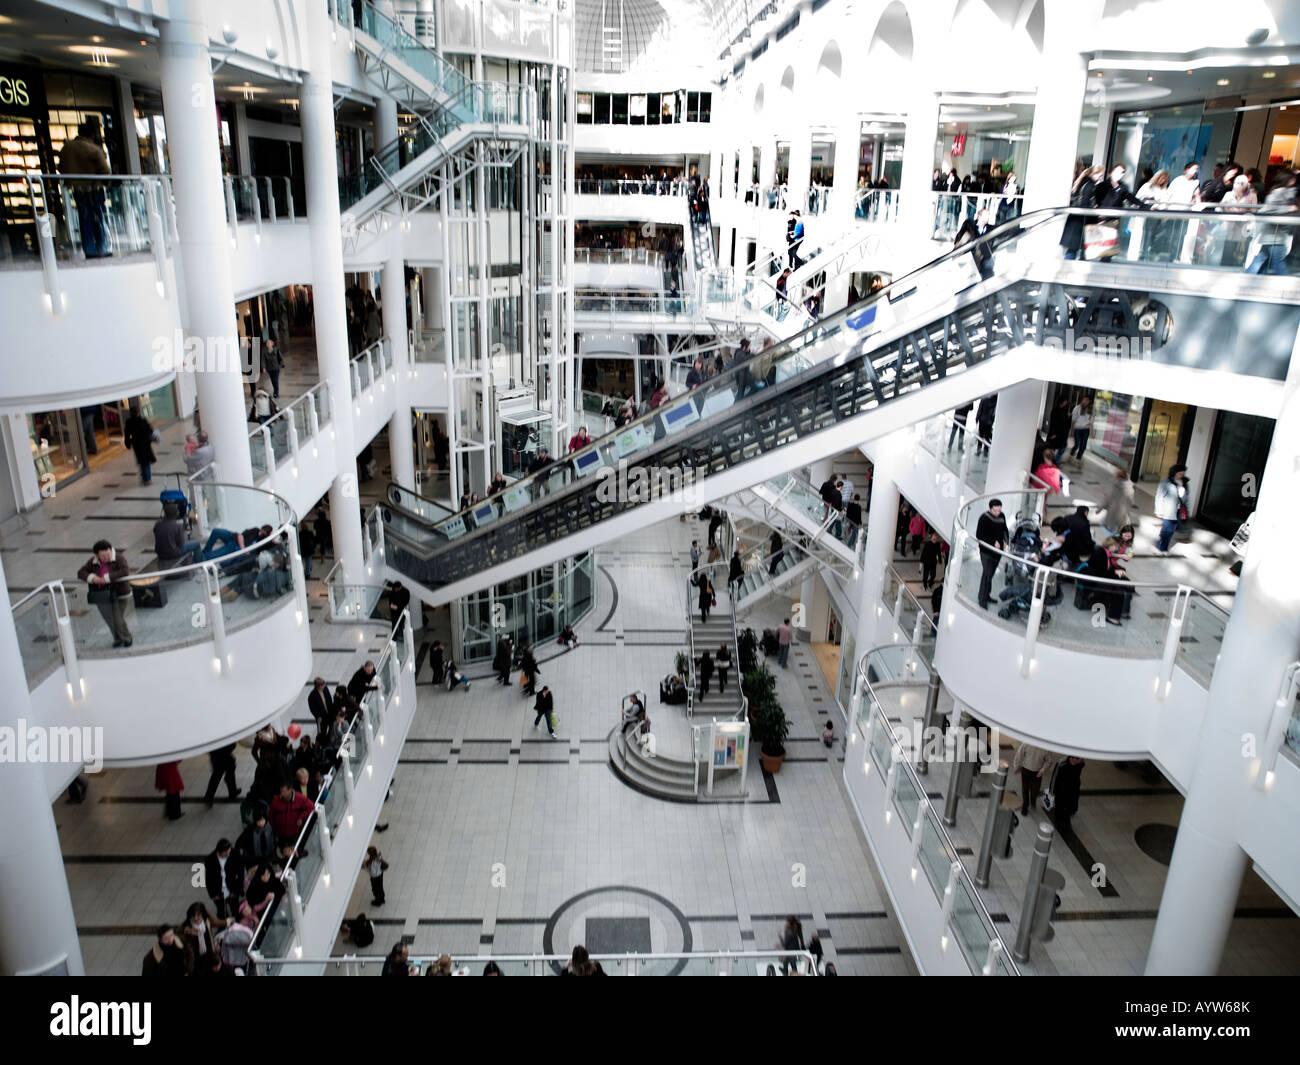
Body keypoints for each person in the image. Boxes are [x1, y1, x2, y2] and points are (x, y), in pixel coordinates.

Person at [58, 117, 111, 257]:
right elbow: (105, 171)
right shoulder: (93, 149)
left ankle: (89, 249)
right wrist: (105, 183)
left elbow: (61, 167)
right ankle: (102, 248)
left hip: (76, 189)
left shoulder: (67, 148)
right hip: (94, 188)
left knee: (84, 218)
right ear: (92, 135)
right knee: (98, 217)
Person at [1245, 171, 1297, 275]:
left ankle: (1249, 277)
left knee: (1261, 259)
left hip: (1272, 234)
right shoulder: (1283, 194)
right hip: (1275, 235)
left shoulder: (1278, 194)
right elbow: (1269, 210)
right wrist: (1288, 209)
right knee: (1277, 262)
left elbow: (1268, 210)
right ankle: (1287, 283)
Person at [1060, 165, 1103, 259]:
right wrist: (1094, 208)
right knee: (1079, 249)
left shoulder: (1082, 182)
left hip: (1075, 219)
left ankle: (1066, 266)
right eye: (1099, 175)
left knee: (1072, 249)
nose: (1100, 178)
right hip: (1082, 220)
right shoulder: (1090, 185)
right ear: (1093, 174)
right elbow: (1085, 203)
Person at [975, 498, 1009, 610]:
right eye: (995, 510)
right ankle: (982, 599)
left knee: (990, 575)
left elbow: (1005, 529)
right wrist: (992, 542)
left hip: (997, 552)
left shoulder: (1002, 516)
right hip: (986, 552)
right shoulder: (984, 518)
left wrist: (1006, 541)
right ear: (990, 509)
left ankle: (986, 595)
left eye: (999, 510)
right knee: (986, 575)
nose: (997, 513)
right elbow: (979, 535)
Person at [180, 901, 228, 976]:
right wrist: (187, 932)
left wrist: (227, 922)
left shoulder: (206, 921)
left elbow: (216, 922)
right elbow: (180, 935)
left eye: (198, 915)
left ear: (202, 914)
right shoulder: (187, 926)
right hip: (196, 956)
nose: (195, 918)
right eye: (193, 916)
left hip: (209, 951)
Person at [203, 838, 243, 920]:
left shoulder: (235, 854)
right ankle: (224, 925)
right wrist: (213, 894)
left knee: (235, 909)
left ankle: (236, 923)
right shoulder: (210, 860)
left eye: (230, 851)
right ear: (221, 852)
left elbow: (241, 873)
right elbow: (208, 879)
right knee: (221, 912)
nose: (229, 854)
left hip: (232, 890)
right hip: (218, 892)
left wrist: (237, 890)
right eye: (227, 853)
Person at [1011, 743, 1055, 817]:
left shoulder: (1046, 748)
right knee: (1025, 789)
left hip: (1037, 772)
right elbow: (1019, 755)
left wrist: (1042, 771)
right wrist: (1016, 766)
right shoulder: (1026, 744)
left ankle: (1033, 800)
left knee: (1035, 790)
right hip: (1025, 770)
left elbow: (1049, 761)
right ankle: (1025, 805)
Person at [1154, 464, 1188, 554]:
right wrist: (1159, 511)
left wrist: (1183, 492)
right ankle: (1162, 548)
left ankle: (1161, 545)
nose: (1182, 474)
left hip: (1178, 511)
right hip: (1168, 510)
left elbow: (1185, 499)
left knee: (1171, 530)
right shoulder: (1165, 483)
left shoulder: (1183, 482)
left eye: (1183, 472)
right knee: (1167, 530)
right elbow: (1159, 497)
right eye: (1180, 472)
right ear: (1175, 472)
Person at [268, 781, 313, 847]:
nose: (282, 794)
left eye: (284, 792)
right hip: (279, 834)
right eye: (281, 791)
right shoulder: (276, 800)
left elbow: (311, 806)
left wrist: (301, 817)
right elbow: (270, 816)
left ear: (290, 790)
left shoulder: (300, 798)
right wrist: (274, 829)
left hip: (294, 834)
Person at [1048, 756, 1085, 834]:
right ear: (1072, 758)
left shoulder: (1080, 764)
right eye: (1079, 759)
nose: (1081, 760)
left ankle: (1066, 822)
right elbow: (1054, 777)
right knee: (1059, 808)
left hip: (1073, 791)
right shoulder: (1062, 764)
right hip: (1061, 791)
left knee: (1070, 808)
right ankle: (1058, 823)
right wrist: (1052, 790)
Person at [122, 405, 158, 485]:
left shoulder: (129, 422)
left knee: (142, 461)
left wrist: (127, 443)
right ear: (138, 412)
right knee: (146, 462)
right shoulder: (142, 421)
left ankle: (144, 477)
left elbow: (127, 434)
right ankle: (147, 478)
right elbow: (150, 430)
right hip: (145, 443)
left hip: (136, 444)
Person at [1099, 467, 1134, 538]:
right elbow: (1131, 502)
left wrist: (1099, 509)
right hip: (1123, 515)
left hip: (1113, 513)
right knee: (1120, 531)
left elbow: (1107, 499)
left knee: (1110, 531)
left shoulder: (1114, 486)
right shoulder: (1130, 488)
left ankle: (1113, 543)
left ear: (1117, 476)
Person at [203, 743, 241, 808]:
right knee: (229, 775)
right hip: (226, 758)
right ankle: (232, 792)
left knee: (215, 778)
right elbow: (232, 745)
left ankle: (209, 797)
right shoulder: (224, 736)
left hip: (216, 758)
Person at [1066, 395, 1093, 464]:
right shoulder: (1077, 408)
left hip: (1086, 429)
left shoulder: (1091, 409)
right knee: (1077, 444)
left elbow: (1091, 422)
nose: (1085, 401)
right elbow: (1073, 421)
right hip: (1077, 429)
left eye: (1087, 400)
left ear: (1089, 401)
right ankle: (1071, 454)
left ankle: (1078, 459)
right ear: (1082, 400)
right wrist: (1071, 431)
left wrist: (1092, 432)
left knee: (1083, 445)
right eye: (1084, 400)